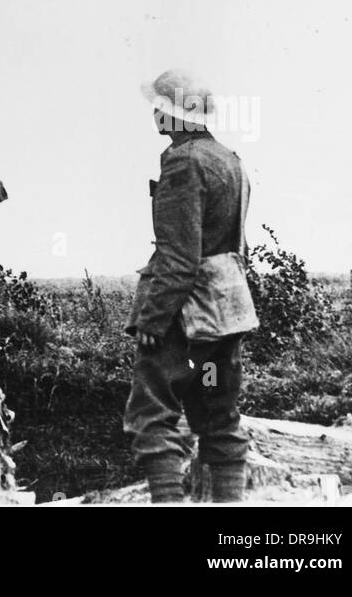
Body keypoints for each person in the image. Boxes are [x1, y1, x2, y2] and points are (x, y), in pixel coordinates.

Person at [123, 69, 254, 504]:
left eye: (160, 108)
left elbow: (179, 256)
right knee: (218, 410)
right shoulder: (228, 158)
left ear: (173, 115)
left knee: (154, 414)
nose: (155, 116)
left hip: (186, 314)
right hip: (226, 311)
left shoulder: (183, 161)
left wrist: (153, 319)